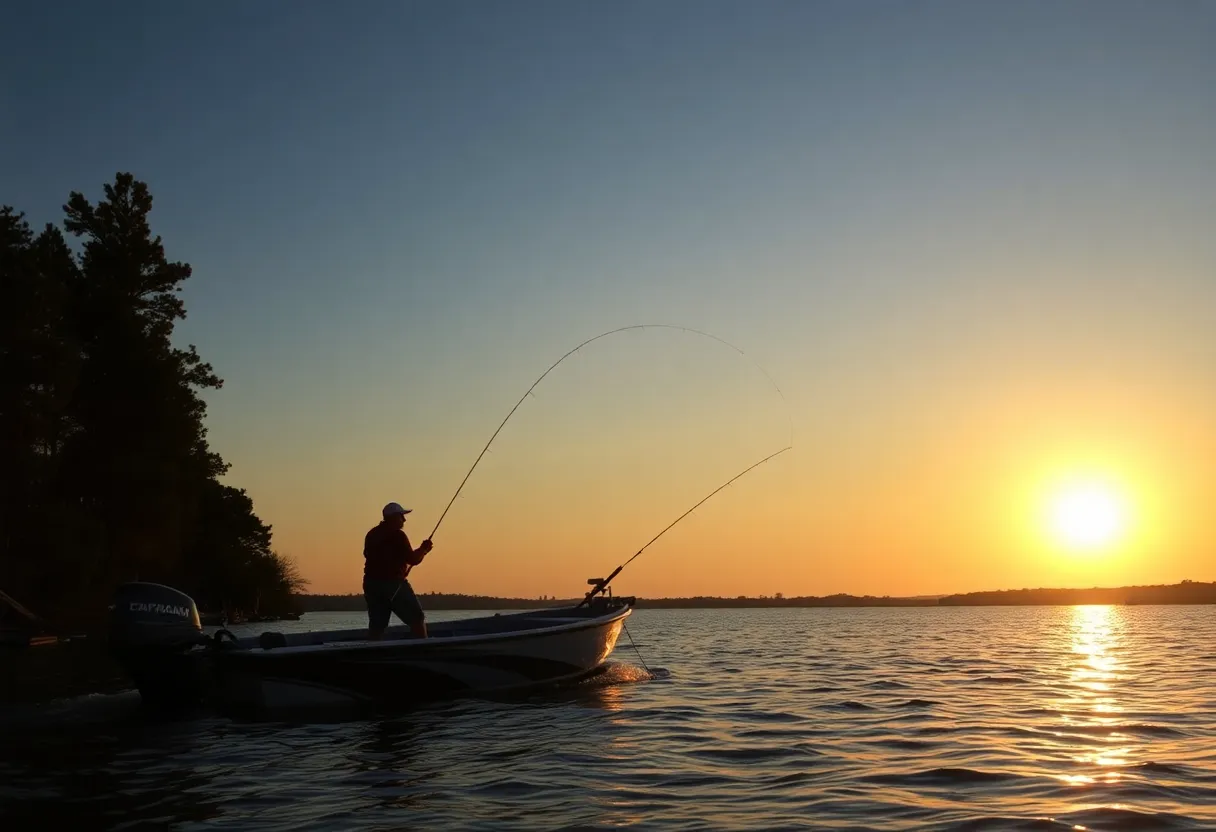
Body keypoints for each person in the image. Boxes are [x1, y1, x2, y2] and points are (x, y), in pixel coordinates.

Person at [362, 501, 434, 640]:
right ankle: (424, 648)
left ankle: (372, 649)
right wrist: (424, 549)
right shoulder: (398, 535)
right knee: (416, 617)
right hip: (392, 584)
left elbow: (369, 555)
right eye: (401, 516)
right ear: (394, 517)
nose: (404, 519)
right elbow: (413, 559)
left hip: (371, 584)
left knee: (378, 624)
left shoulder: (371, 534)